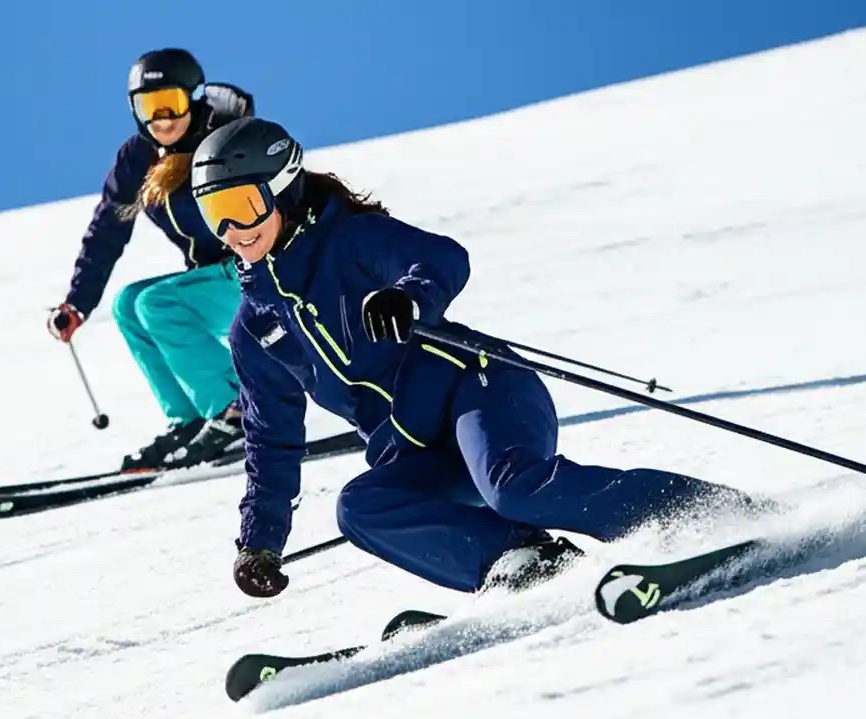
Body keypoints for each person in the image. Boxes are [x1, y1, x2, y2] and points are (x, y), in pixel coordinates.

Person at [188, 117, 752, 598]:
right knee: (362, 507)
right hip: (416, 447)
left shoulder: (350, 242)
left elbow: (440, 257)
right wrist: (258, 541)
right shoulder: (255, 331)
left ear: (283, 190)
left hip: (478, 389)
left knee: (517, 487)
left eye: (243, 206)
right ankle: (524, 562)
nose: (233, 230)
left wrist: (410, 296)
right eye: (217, 215)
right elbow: (271, 442)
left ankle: (707, 516)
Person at [48, 49, 251, 471]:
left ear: (192, 99)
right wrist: (78, 303)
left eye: (171, 103)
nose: (162, 119)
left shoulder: (226, 139)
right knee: (129, 305)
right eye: (148, 107)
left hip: (261, 272)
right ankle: (189, 419)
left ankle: (238, 406)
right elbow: (107, 231)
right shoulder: (138, 159)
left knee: (158, 304)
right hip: (215, 278)